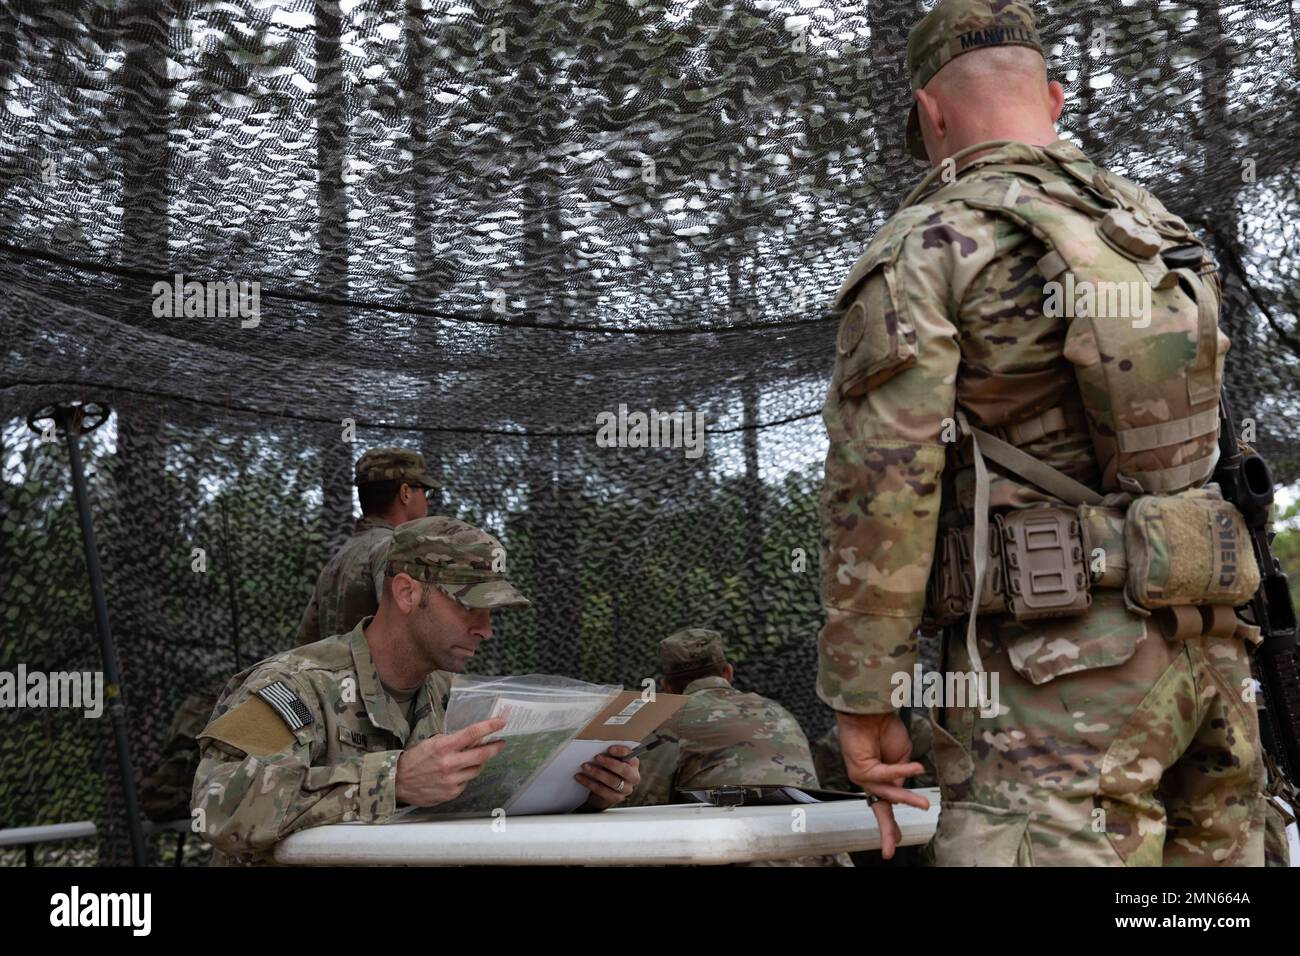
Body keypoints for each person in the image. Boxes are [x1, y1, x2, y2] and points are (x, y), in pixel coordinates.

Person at [818, 0, 1269, 865]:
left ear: (931, 113)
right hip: (1214, 662)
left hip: (1054, 685)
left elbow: (883, 487)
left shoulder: (934, 242)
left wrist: (864, 691)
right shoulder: (1153, 228)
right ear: (1056, 99)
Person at [192, 516, 640, 864]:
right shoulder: (293, 686)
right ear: (406, 593)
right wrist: (394, 781)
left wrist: (587, 792)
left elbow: (495, 809)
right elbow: (218, 806)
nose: (486, 630)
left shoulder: (455, 698)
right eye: (469, 606)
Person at [628, 628, 848, 866]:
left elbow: (640, 811)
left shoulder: (668, 720)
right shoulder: (777, 710)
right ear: (728, 673)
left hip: (749, 855)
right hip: (825, 854)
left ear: (667, 686)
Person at [296, 447, 435, 645]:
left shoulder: (339, 558)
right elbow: (415, 638)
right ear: (405, 493)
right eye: (425, 491)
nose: (427, 502)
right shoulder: (395, 549)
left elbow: (305, 644)